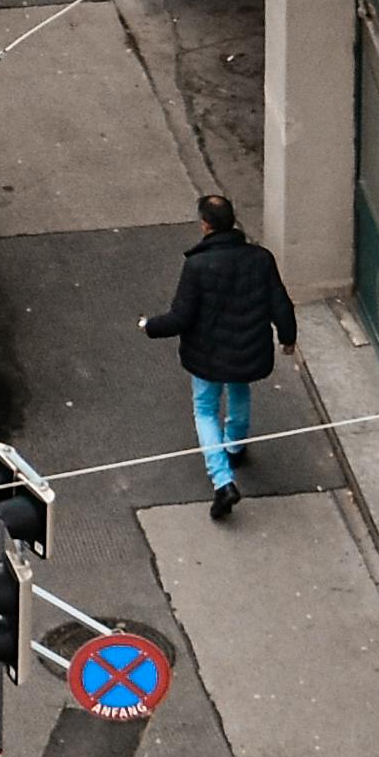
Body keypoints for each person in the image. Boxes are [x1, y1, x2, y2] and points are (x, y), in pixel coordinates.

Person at [137, 193, 300, 522]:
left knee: (205, 410)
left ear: (205, 225)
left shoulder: (197, 265)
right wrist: (287, 336)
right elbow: (280, 302)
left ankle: (223, 480)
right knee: (240, 391)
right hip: (248, 348)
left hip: (206, 354)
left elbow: (180, 317)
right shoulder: (261, 258)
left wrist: (149, 326)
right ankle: (235, 447)